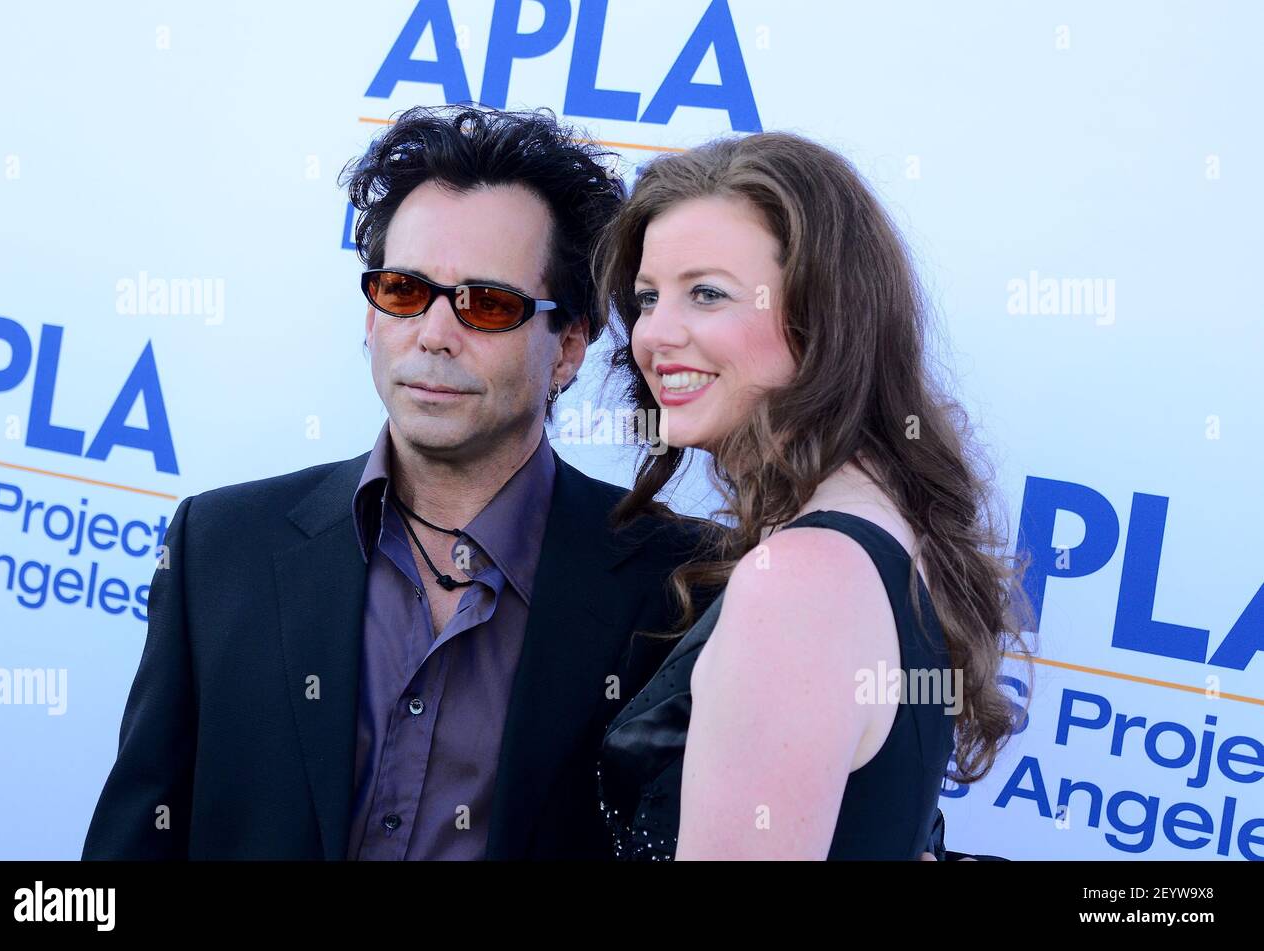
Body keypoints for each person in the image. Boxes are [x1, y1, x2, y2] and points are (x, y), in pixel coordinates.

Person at [81, 105, 701, 860]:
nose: (435, 333)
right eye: (404, 291)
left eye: (489, 303)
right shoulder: (220, 547)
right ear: (371, 315)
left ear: (568, 346)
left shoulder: (677, 585)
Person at [593, 130, 1034, 859]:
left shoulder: (800, 582)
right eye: (647, 298)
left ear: (823, 315)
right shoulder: (881, 527)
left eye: (707, 293)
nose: (655, 334)